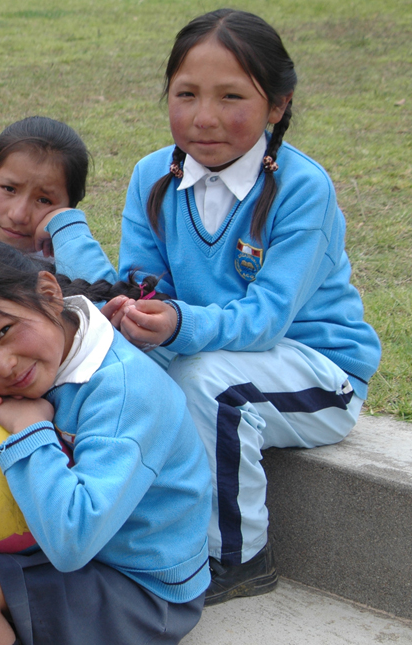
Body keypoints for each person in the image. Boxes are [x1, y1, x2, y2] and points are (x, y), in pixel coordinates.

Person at [104, 9, 382, 606]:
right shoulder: (152, 175)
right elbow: (144, 284)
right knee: (120, 374)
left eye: (231, 96)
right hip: (208, 353)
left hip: (316, 372)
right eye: (186, 95)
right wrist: (133, 312)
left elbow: (267, 318)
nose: (204, 118)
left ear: (277, 105)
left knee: (209, 385)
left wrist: (179, 323)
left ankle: (238, 557)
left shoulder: (301, 187)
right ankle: (121, 532)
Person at [0, 240, 211, 645]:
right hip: (50, 545)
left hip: (139, 582)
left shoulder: (125, 391)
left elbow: (72, 540)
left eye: (5, 331)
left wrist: (30, 432)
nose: (4, 365)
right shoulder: (38, 359)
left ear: (49, 296)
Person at [0, 116, 117, 284]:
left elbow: (102, 298)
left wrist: (67, 228)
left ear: (69, 206)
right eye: (9, 189)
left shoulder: (74, 265)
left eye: (44, 200)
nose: (18, 215)